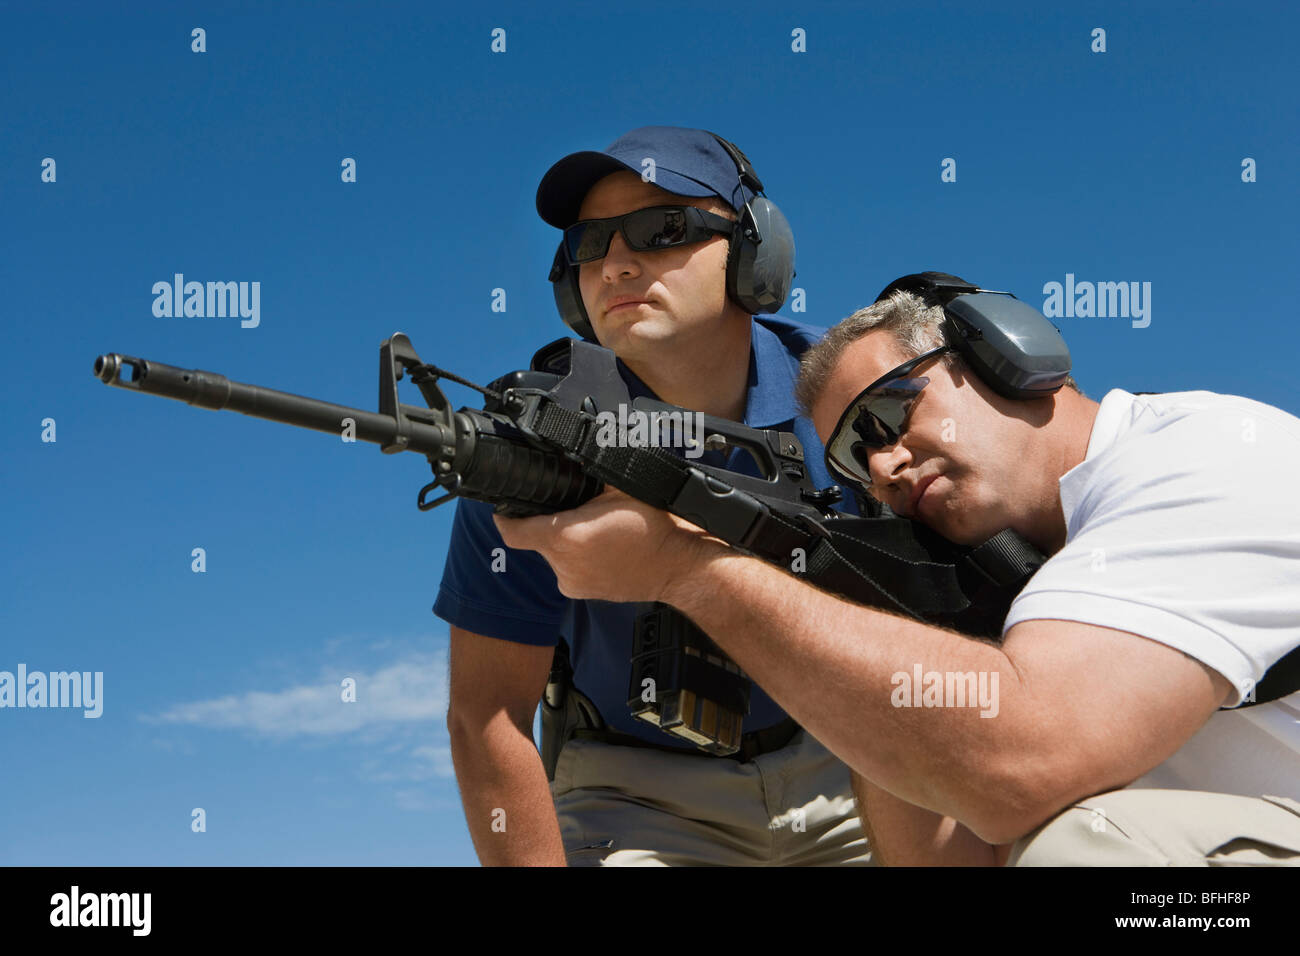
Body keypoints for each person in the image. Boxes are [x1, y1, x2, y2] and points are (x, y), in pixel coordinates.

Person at [495, 273, 1300, 866]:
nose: (880, 467)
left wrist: (689, 572)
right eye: (851, 458)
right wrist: (890, 616)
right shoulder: (1009, 575)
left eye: (888, 414)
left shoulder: (1205, 455)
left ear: (1003, 356)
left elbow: (1021, 769)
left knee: (1083, 850)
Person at [436, 126, 872, 866]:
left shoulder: (853, 393)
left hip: (854, 755)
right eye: (588, 244)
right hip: (636, 794)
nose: (615, 265)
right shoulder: (522, 452)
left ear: (755, 251)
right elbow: (486, 714)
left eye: (661, 228)